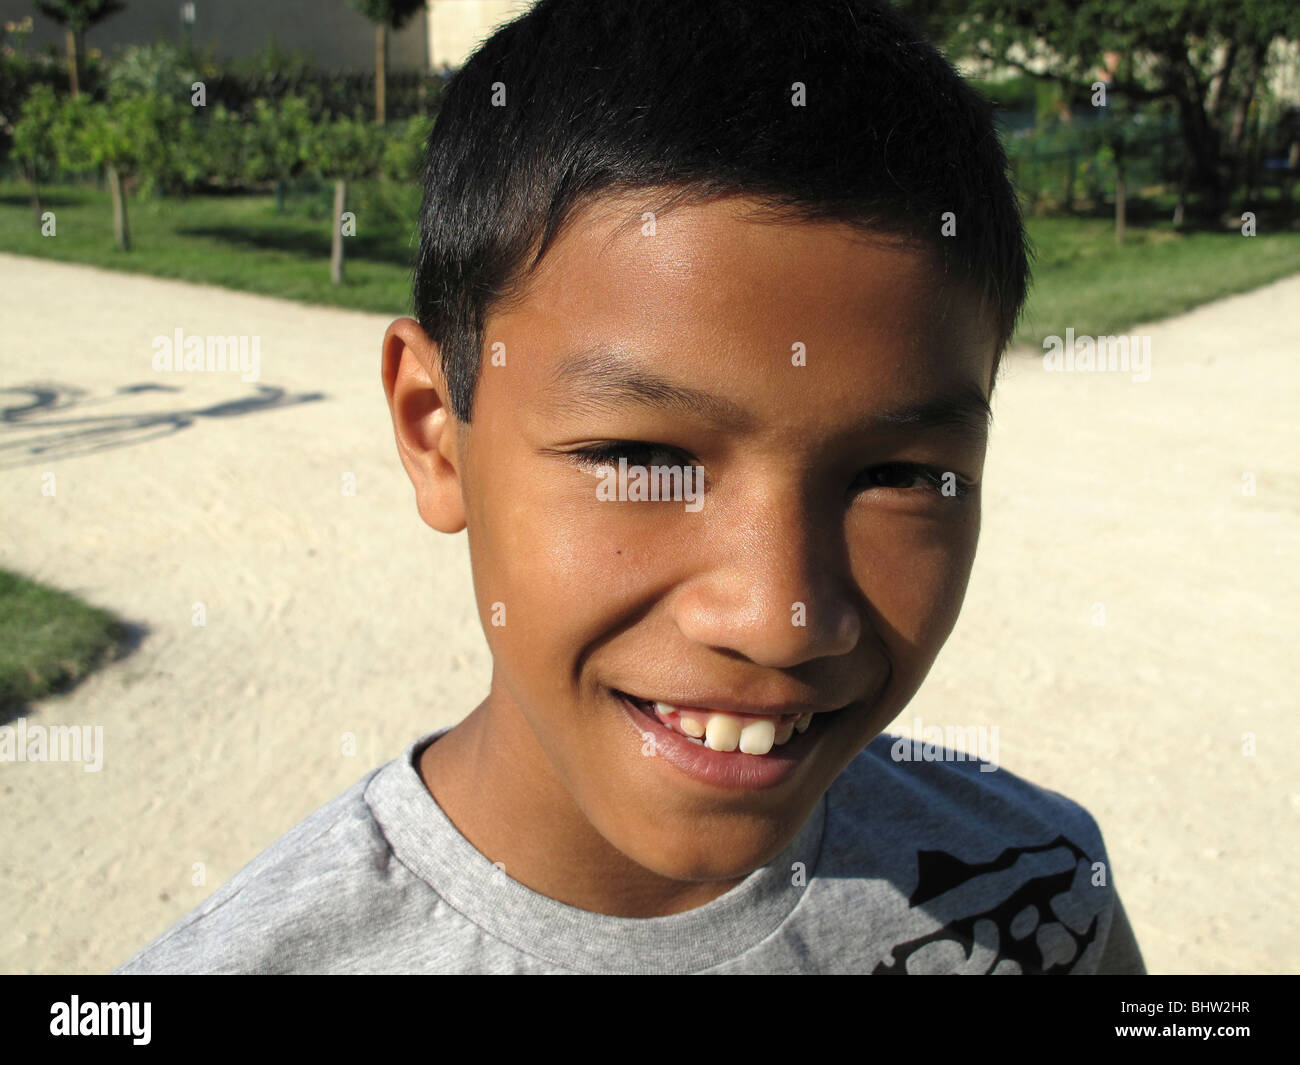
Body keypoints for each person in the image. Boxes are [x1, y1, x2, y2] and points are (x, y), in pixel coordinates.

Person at [115, 0, 1145, 974]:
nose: (780, 620)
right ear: (435, 435)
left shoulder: (1043, 896)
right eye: (640, 460)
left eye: (899, 475)